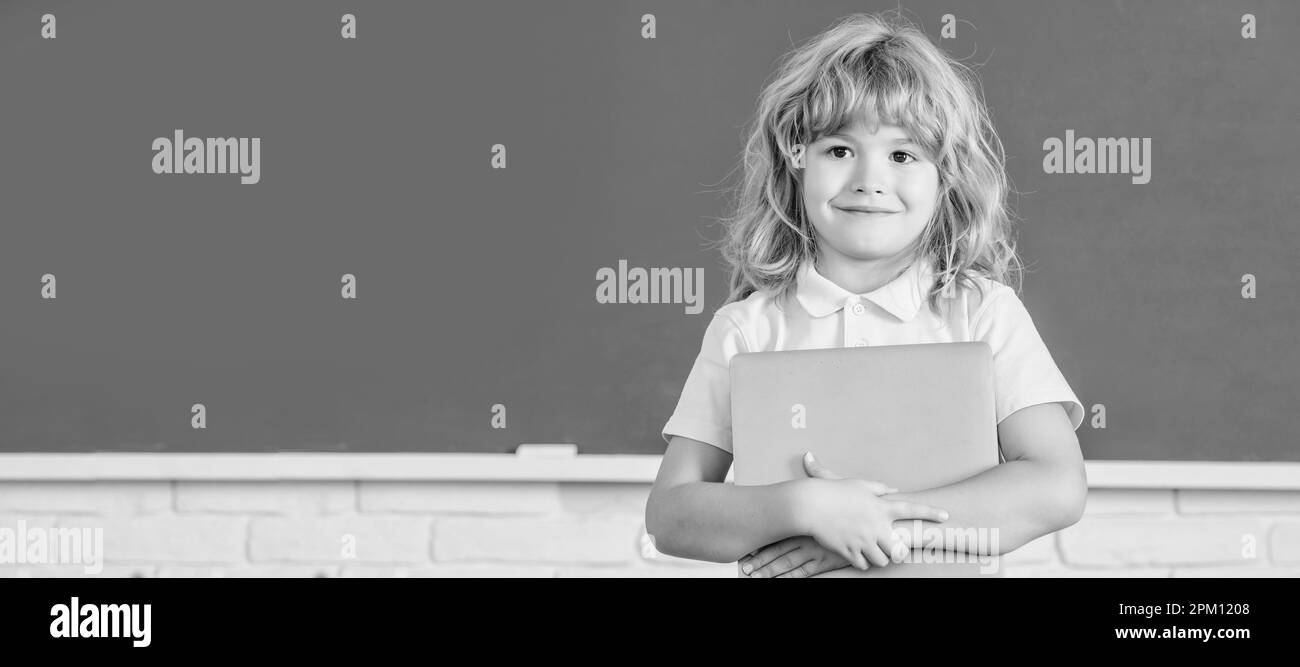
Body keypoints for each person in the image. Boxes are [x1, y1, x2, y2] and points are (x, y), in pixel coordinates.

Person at [645, 12, 1087, 578]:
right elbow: (671, 516)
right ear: (795, 163)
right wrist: (805, 508)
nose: (868, 180)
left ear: (944, 177)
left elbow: (1056, 486)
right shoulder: (748, 328)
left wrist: (869, 528)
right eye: (838, 150)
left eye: (902, 155)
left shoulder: (982, 313)